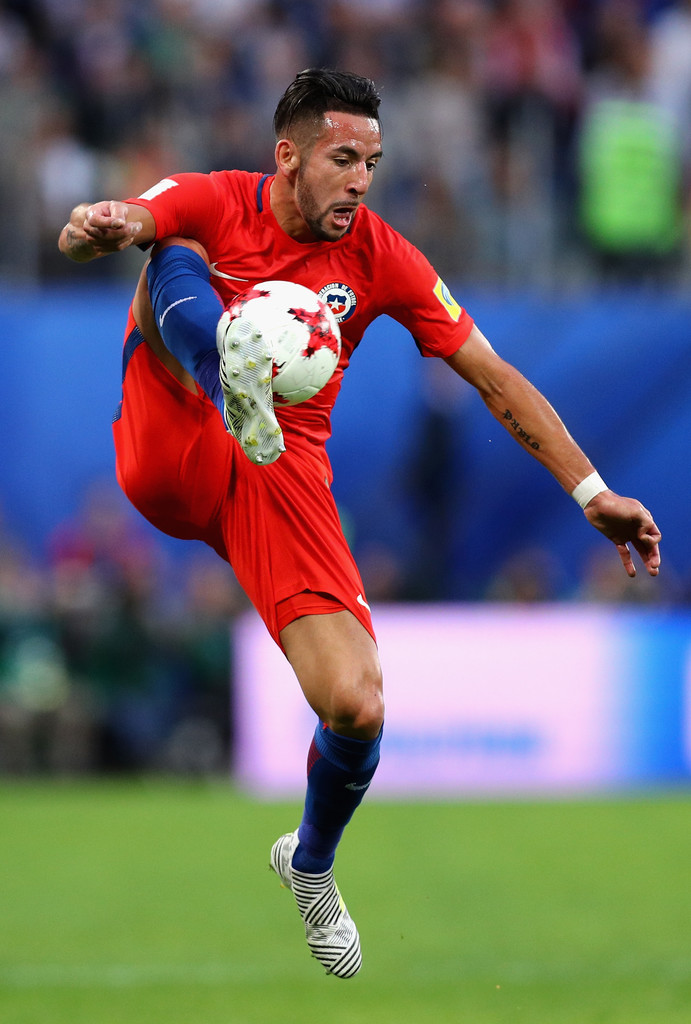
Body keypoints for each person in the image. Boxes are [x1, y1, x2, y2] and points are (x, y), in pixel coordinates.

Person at [58, 68, 661, 978]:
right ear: (287, 156)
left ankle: (308, 863)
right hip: (178, 431)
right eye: (344, 159)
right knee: (172, 252)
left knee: (358, 704)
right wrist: (95, 225)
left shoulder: (385, 258)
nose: (360, 180)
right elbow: (124, 222)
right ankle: (226, 361)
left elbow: (492, 375)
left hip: (279, 464)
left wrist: (591, 491)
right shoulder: (216, 197)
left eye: (373, 162)